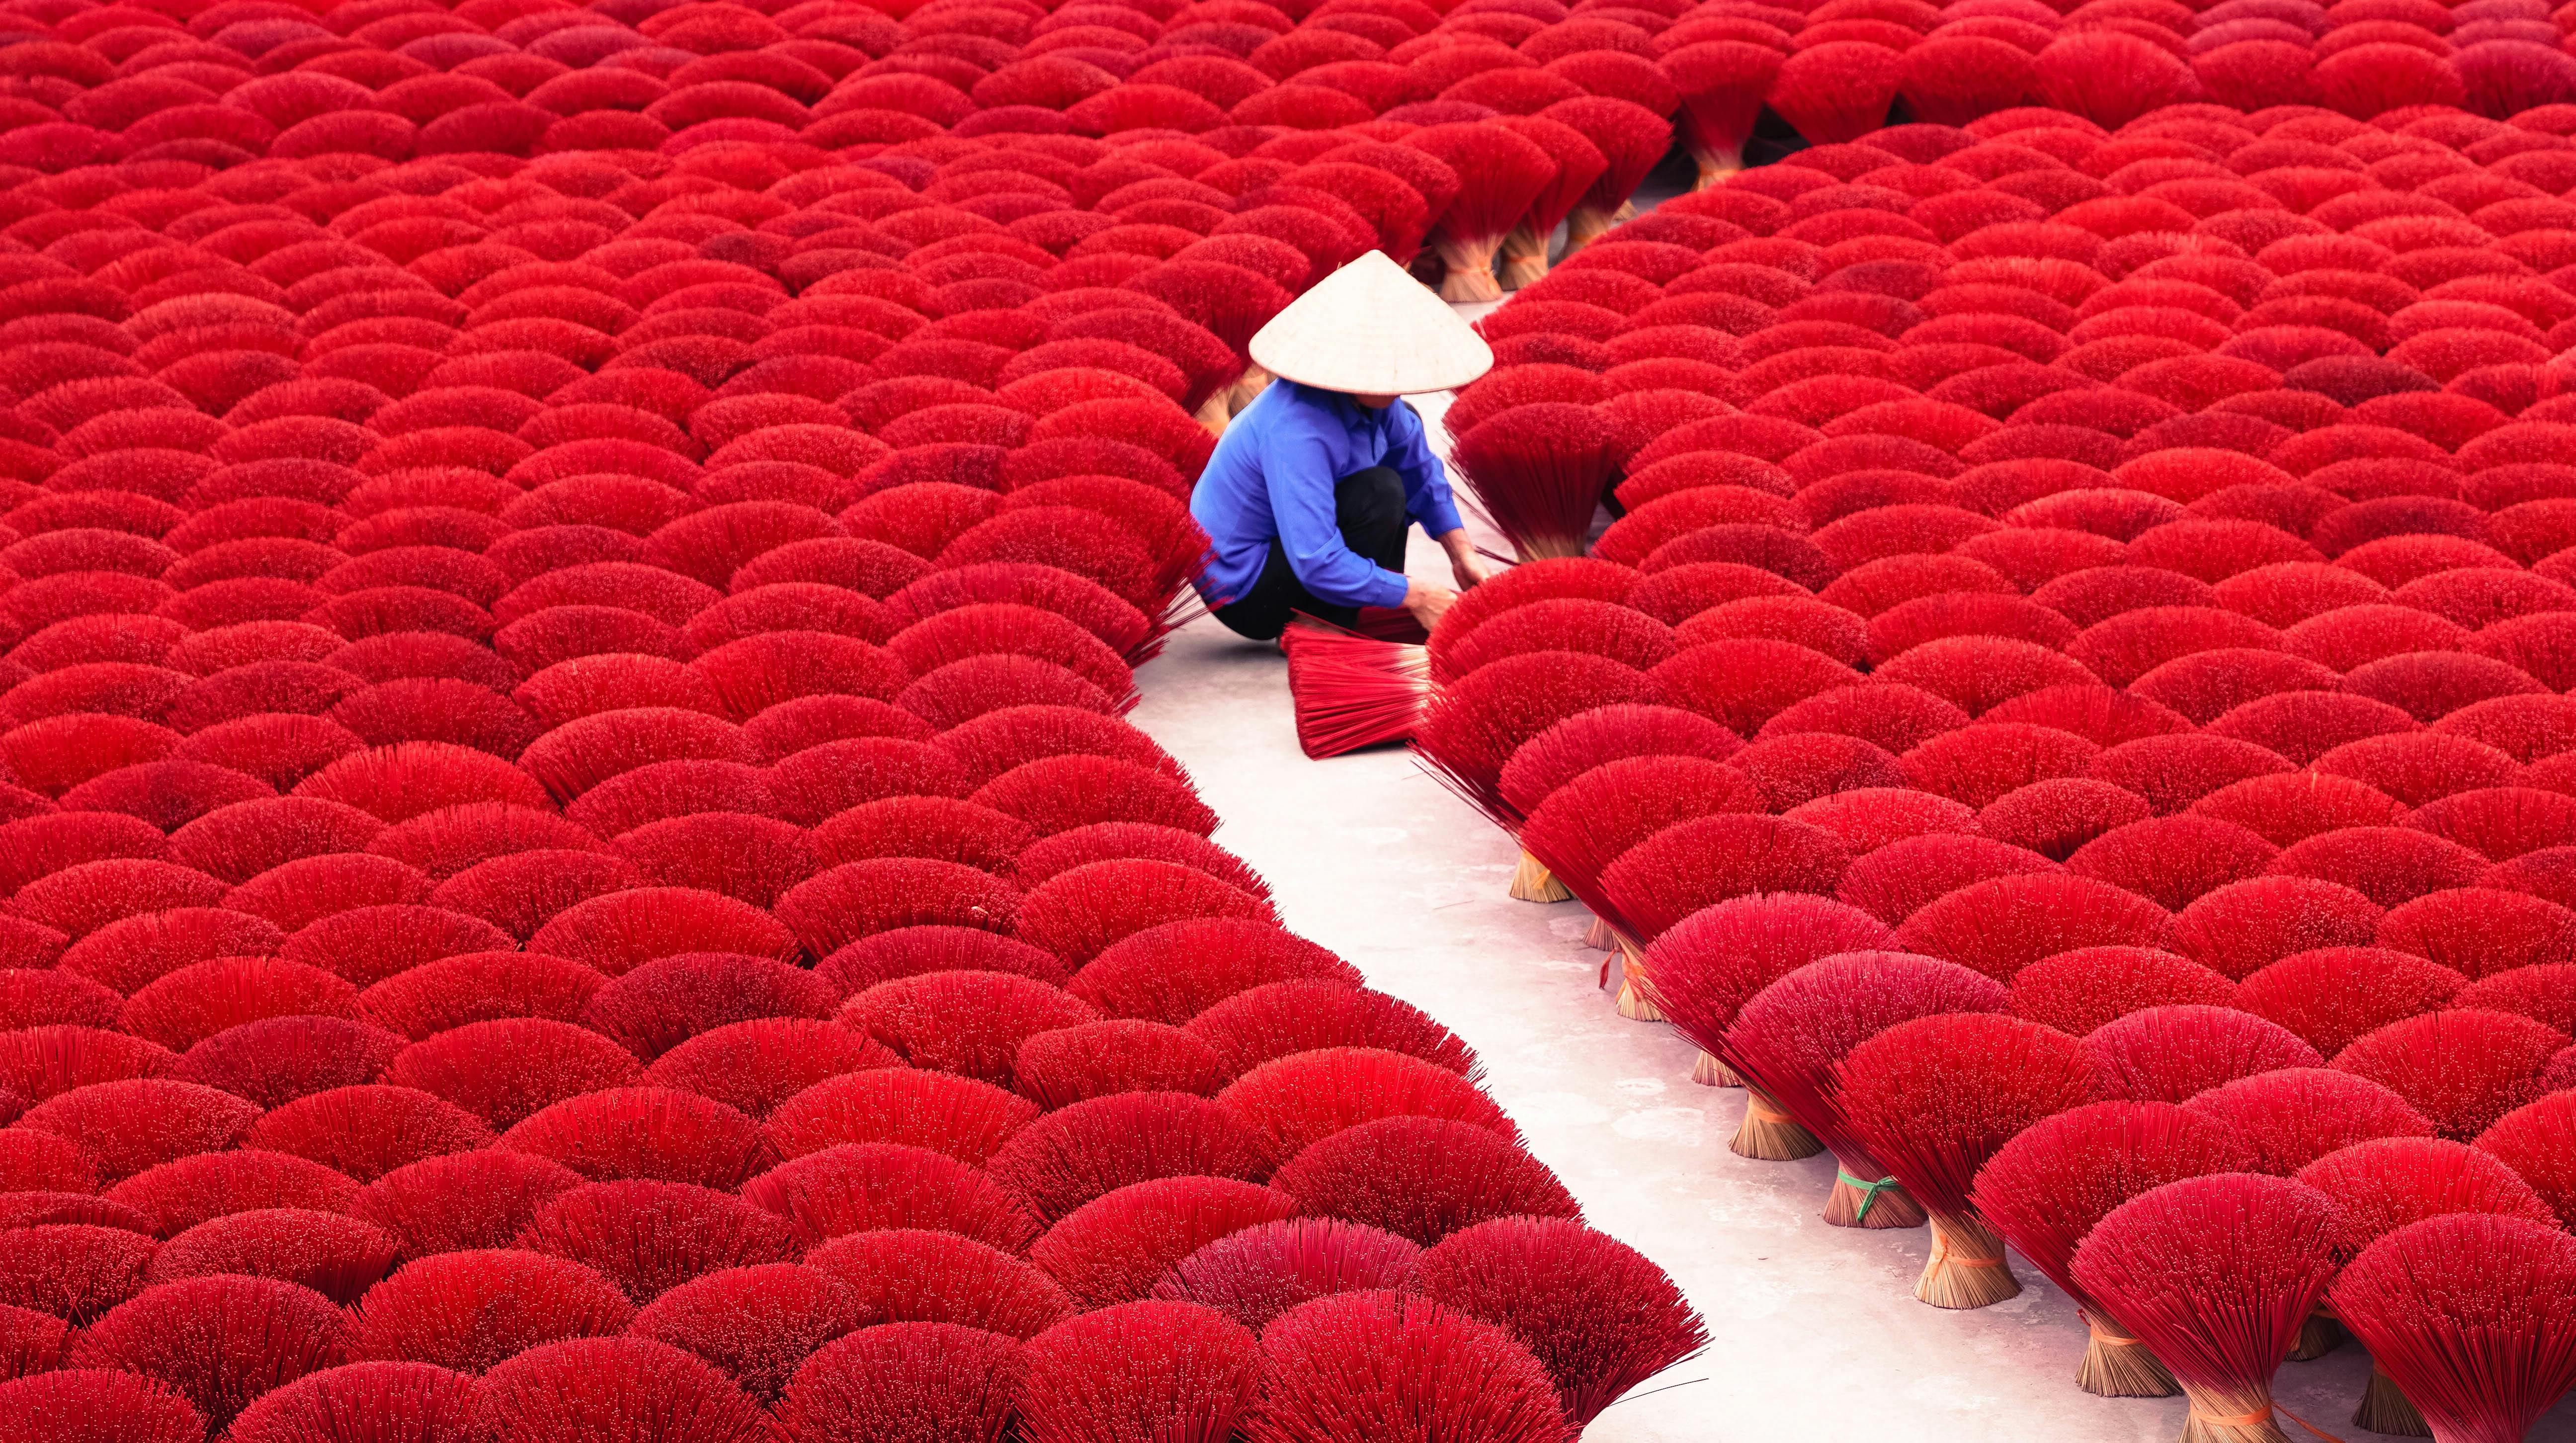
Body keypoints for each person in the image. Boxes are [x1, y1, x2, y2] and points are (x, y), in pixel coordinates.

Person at [1189, 250, 1496, 640]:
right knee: (1380, 491)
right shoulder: (1298, 430)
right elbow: (1314, 558)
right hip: (1245, 591)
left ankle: (1359, 608)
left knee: (1399, 459)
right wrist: (1418, 595)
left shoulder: (1377, 401)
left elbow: (1421, 475)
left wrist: (1462, 553)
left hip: (1290, 553)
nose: (1398, 378)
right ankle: (1322, 623)